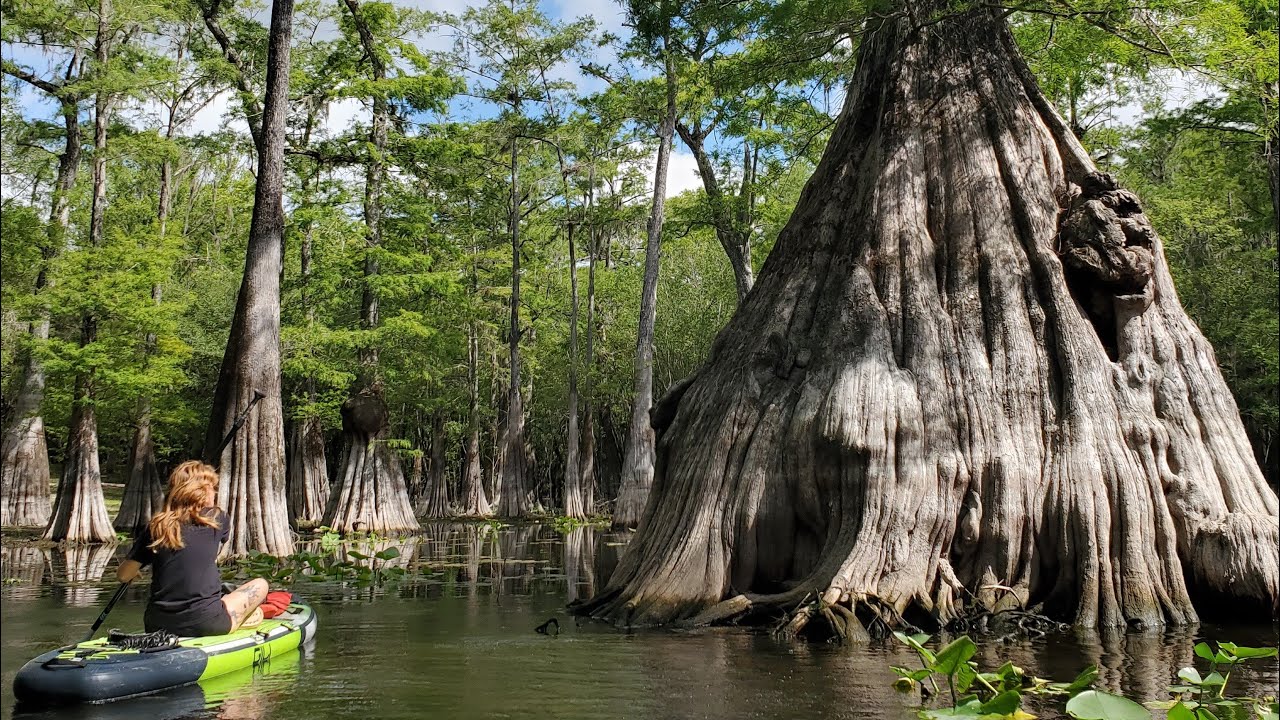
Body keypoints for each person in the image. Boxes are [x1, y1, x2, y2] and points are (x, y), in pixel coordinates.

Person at [117, 461, 268, 636]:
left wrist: (133, 572)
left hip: (156, 625)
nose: (215, 493)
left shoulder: (156, 526)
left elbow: (123, 575)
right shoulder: (218, 519)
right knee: (261, 584)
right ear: (202, 492)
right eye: (212, 487)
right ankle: (241, 618)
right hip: (206, 623)